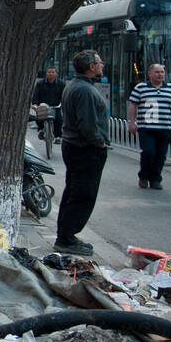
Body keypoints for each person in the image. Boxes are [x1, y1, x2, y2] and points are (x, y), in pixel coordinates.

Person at [55, 50, 110, 255]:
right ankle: (67, 238)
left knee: (74, 192)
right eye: (99, 62)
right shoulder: (84, 90)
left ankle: (66, 235)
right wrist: (99, 143)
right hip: (85, 149)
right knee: (82, 194)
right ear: (91, 67)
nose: (102, 65)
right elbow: (87, 124)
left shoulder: (76, 86)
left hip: (76, 146)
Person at [127, 62, 171, 190]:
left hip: (164, 128)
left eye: (162, 72)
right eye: (157, 72)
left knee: (160, 155)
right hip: (146, 128)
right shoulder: (141, 88)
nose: (160, 75)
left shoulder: (170, 88)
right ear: (150, 74)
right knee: (148, 152)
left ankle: (155, 179)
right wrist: (132, 122)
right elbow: (133, 105)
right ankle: (144, 176)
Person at [32, 67, 65, 138]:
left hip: (55, 106)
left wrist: (62, 103)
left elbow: (64, 95)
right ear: (46, 73)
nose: (51, 74)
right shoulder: (40, 83)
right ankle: (41, 130)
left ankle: (58, 136)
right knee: (38, 117)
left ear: (56, 74)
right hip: (42, 106)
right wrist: (35, 104)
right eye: (49, 72)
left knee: (59, 120)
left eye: (53, 72)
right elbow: (36, 95)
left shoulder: (61, 84)